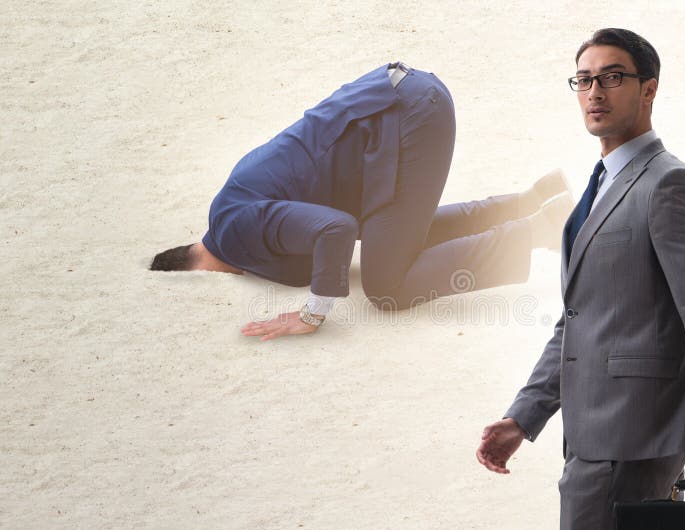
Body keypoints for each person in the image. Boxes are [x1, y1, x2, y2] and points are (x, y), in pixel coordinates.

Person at [475, 29, 685, 530]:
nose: (595, 91)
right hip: (593, 435)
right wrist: (525, 416)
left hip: (634, 438)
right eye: (584, 79)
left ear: (649, 89)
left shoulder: (672, 186)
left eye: (612, 77)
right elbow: (579, 319)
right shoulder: (600, 189)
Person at [150, 62, 574, 341]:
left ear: (199, 269)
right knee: (390, 240)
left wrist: (312, 315)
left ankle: (540, 227)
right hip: (395, 103)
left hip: (404, 117)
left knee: (386, 284)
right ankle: (525, 204)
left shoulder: (238, 230)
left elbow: (336, 229)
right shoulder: (228, 209)